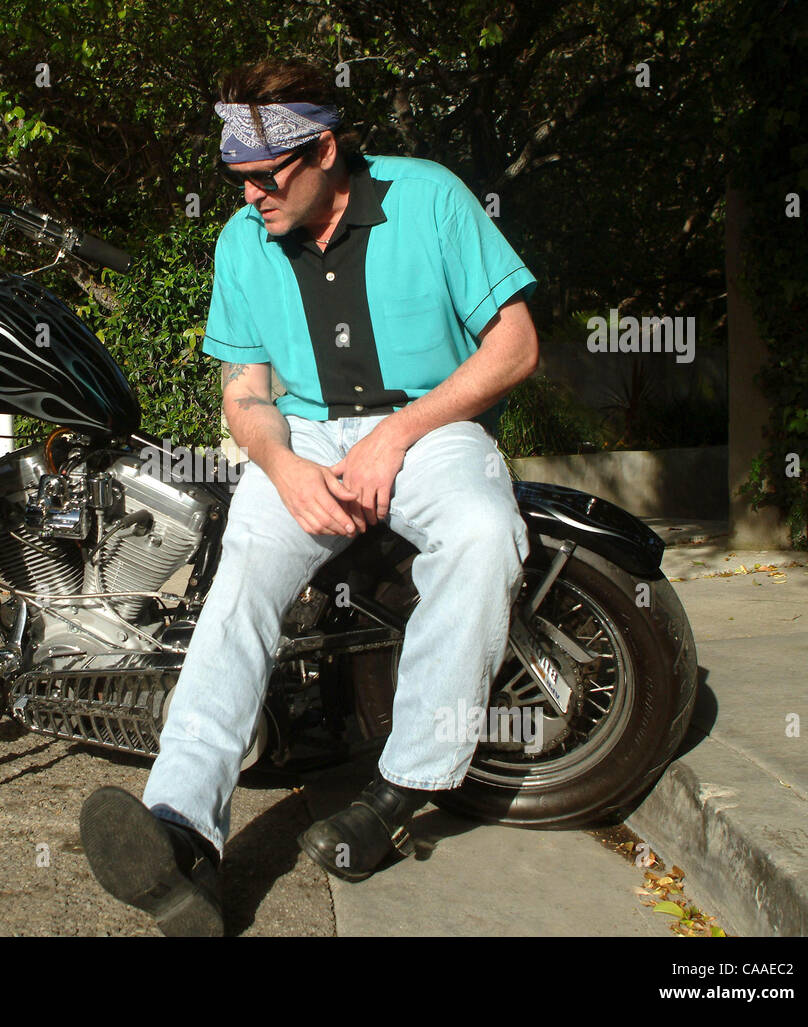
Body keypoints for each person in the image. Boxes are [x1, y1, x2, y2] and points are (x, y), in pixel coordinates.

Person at [79, 58, 539, 936]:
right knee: (241, 573)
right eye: (236, 178)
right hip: (304, 439)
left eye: (264, 175)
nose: (249, 194)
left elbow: (514, 346)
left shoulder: (431, 198)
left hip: (429, 425)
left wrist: (396, 436)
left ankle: (402, 788)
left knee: (484, 531)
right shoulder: (240, 242)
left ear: (325, 148)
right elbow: (245, 391)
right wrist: (282, 467)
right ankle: (181, 835)